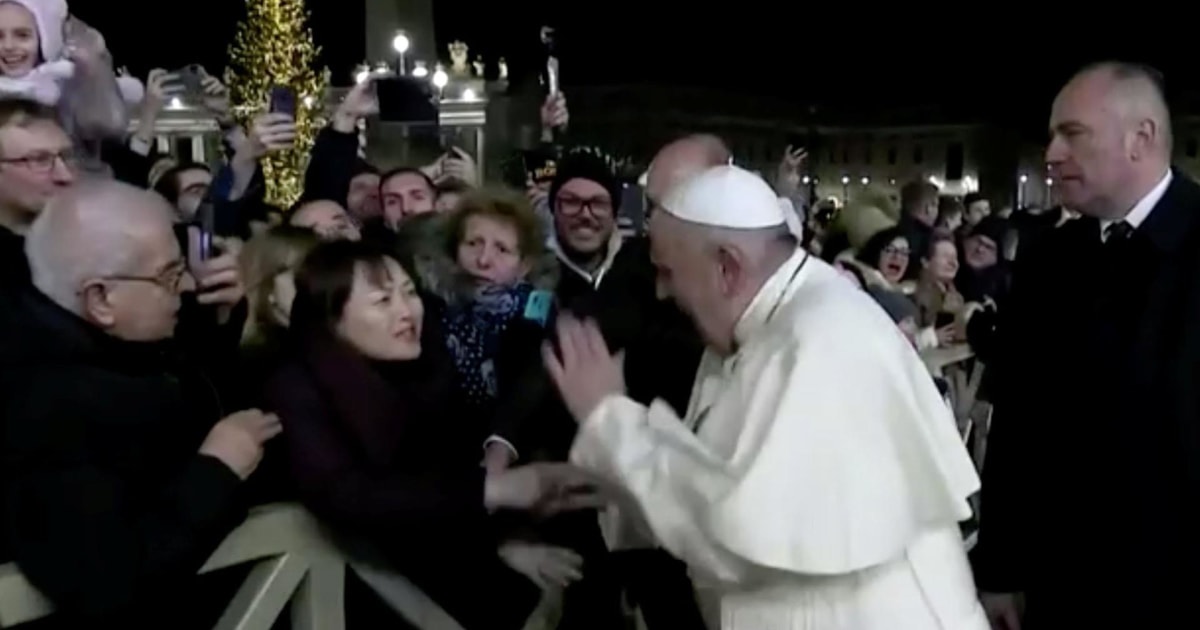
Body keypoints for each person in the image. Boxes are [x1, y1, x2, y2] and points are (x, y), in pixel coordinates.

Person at [543, 164, 986, 629]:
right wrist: (607, 475)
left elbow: (731, 533)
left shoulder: (818, 340)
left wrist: (608, 421)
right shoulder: (771, 321)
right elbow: (715, 474)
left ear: (727, 267)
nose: (662, 289)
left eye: (668, 271)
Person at [973, 61, 1200, 629]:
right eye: (1052, 135)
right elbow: (1015, 425)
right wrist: (999, 567)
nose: (1050, 154)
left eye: (1072, 134)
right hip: (1060, 590)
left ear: (1140, 138)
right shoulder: (1049, 258)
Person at [0, 181, 278, 625]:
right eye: (169, 275)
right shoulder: (45, 408)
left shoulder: (91, 345)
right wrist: (217, 470)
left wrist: (218, 326)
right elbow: (104, 580)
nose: (187, 285)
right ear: (101, 299)